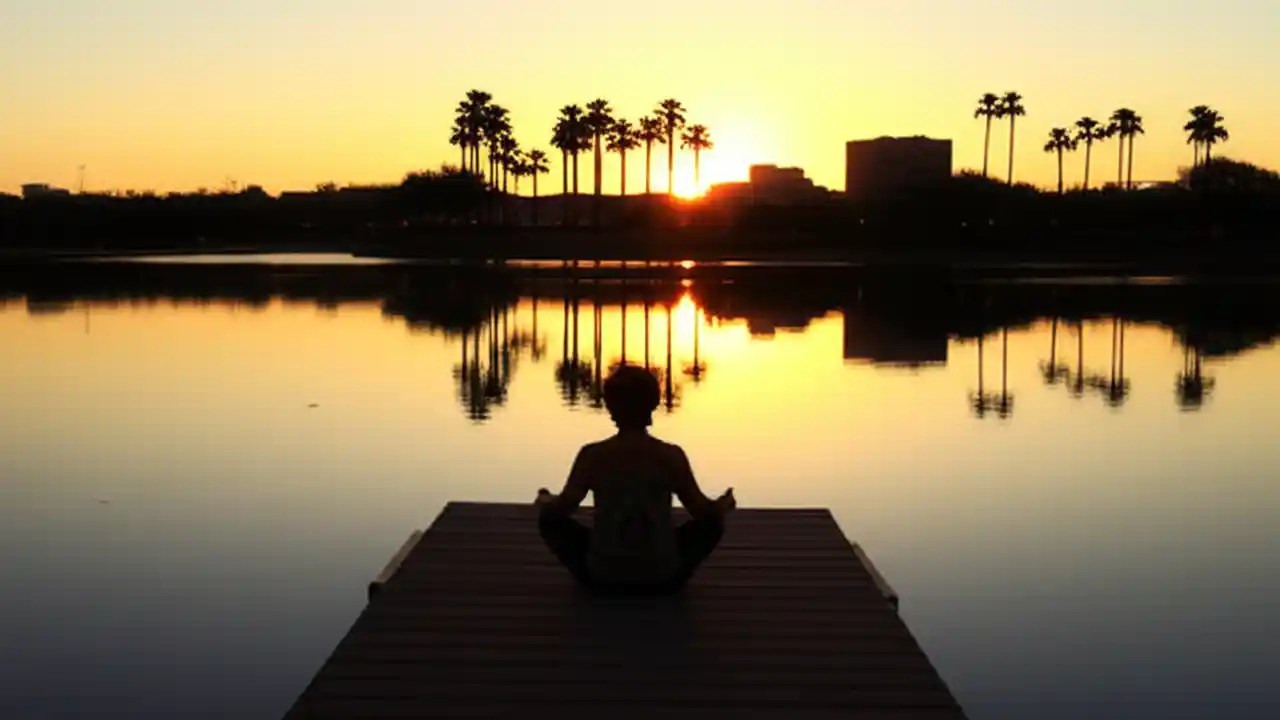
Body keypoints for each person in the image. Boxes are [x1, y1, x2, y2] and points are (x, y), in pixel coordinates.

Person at [536, 365, 735, 594]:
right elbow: (702, 512)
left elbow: (561, 510)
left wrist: (545, 501)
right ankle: (664, 571)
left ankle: (603, 570)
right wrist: (723, 505)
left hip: (603, 574)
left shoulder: (592, 455)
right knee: (712, 524)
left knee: (549, 522)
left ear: (611, 406)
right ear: (653, 403)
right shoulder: (670, 456)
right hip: (661, 575)